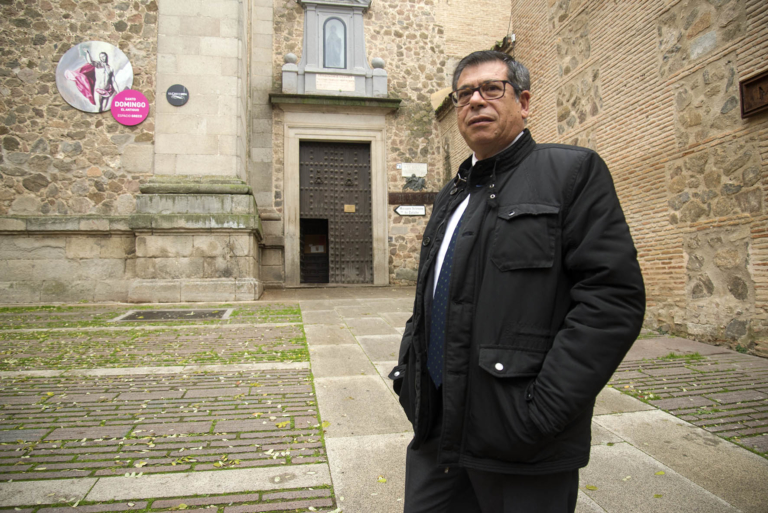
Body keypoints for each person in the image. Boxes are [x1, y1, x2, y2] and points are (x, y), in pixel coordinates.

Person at [389, 50, 645, 512]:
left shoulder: (571, 173)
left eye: (492, 89)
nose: (475, 102)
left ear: (523, 102)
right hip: (437, 433)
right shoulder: (451, 194)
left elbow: (612, 300)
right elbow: (429, 297)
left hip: (521, 441)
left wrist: (543, 412)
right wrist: (407, 372)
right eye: (465, 93)